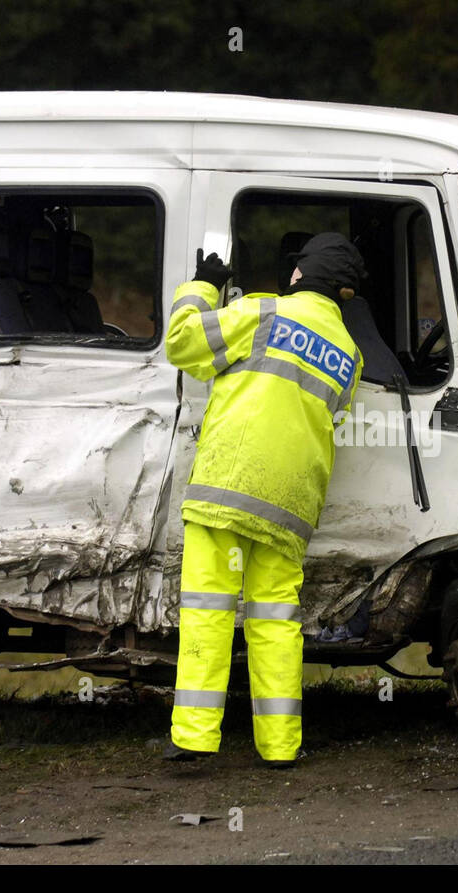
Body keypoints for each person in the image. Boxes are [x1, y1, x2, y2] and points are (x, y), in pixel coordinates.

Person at [162, 233, 365, 767]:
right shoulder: (350, 355)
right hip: (291, 507)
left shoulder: (263, 312)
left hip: (229, 489)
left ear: (299, 275)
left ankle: (195, 737)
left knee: (208, 607)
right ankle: (280, 746)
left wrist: (204, 285)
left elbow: (182, 343)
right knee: (276, 621)